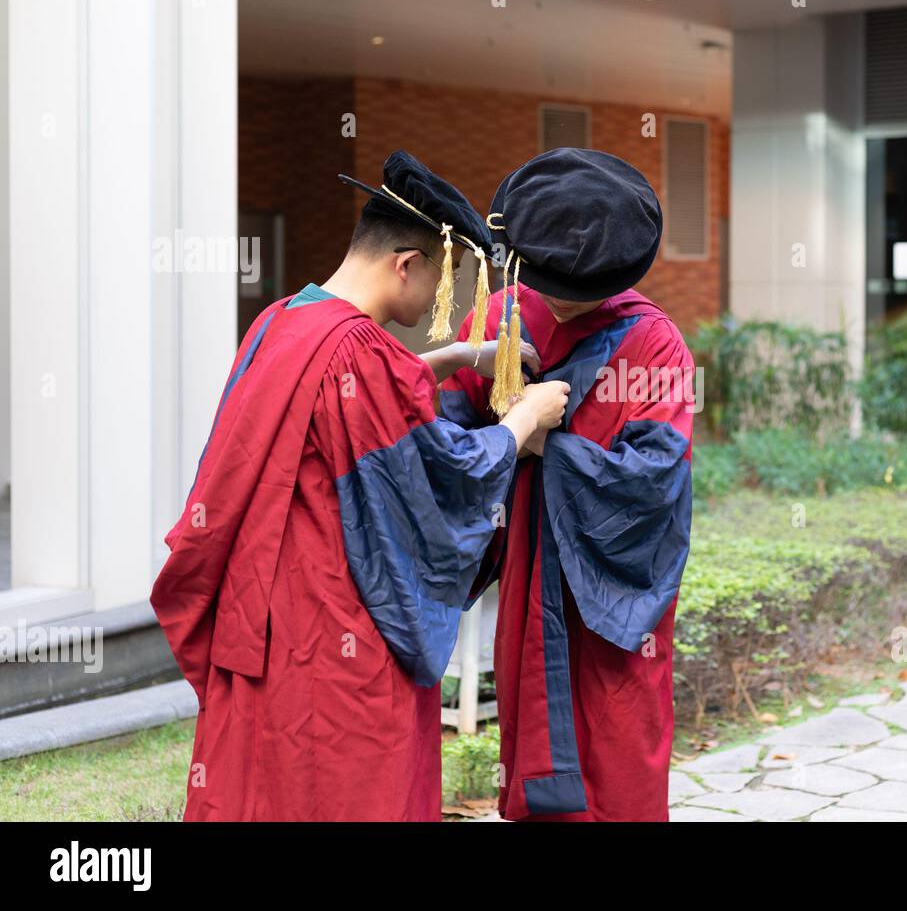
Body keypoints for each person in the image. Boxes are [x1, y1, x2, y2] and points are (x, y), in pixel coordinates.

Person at [150, 150, 569, 821]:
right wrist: (527, 418)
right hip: (336, 627)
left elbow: (354, 399)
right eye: (445, 278)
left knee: (264, 788)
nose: (446, 298)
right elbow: (447, 467)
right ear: (408, 264)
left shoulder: (284, 319)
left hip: (262, 616)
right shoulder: (359, 352)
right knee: (341, 790)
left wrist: (460, 356)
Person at [440, 148, 694, 821]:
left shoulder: (655, 345)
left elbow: (655, 485)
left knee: (618, 756)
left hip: (611, 604)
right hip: (528, 579)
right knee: (531, 752)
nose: (561, 293)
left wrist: (541, 437)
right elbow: (449, 449)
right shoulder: (497, 321)